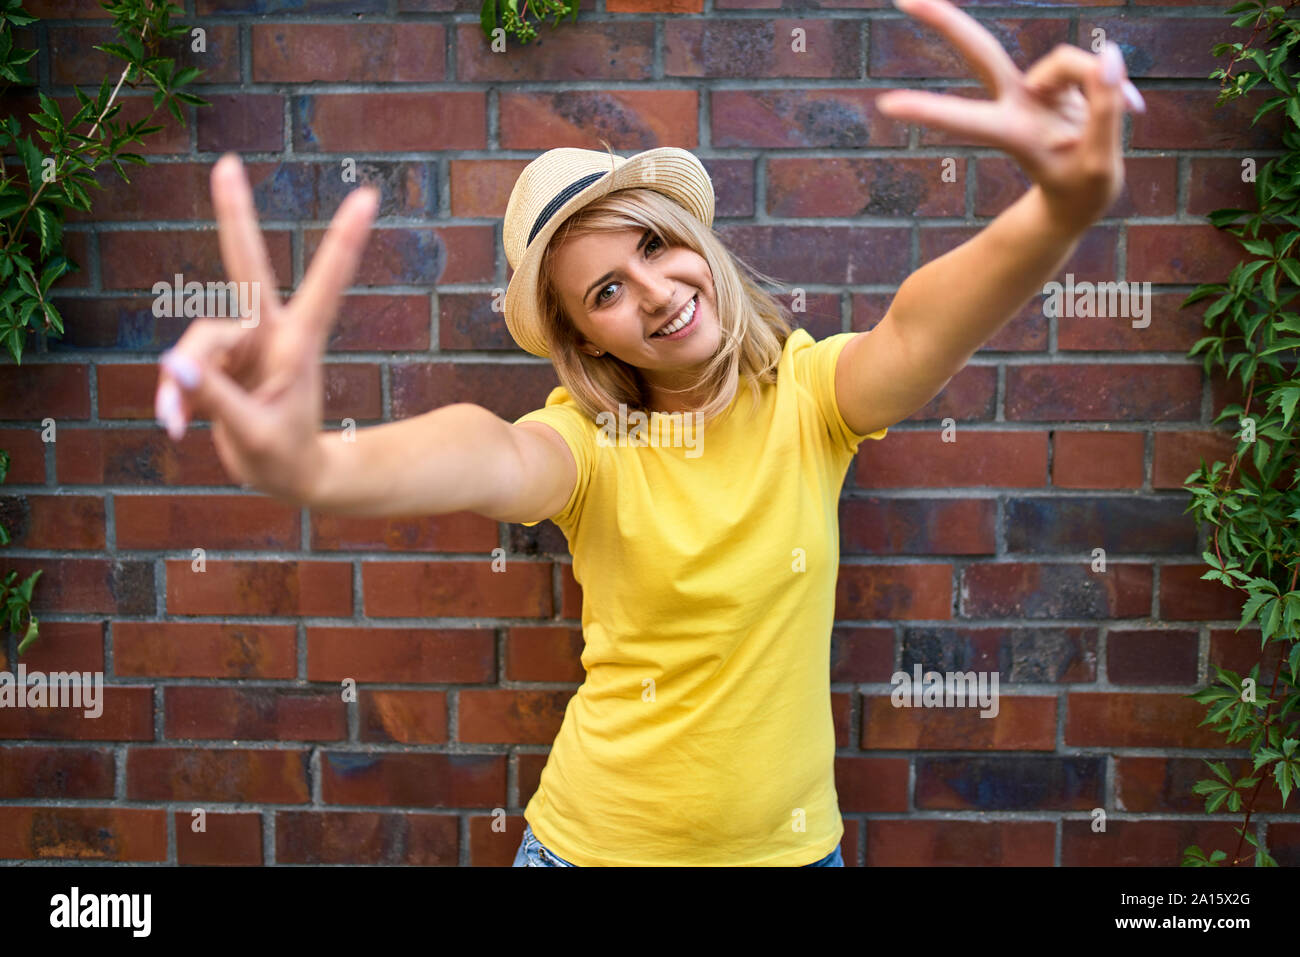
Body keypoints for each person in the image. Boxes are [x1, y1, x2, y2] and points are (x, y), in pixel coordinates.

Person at [152, 0, 1143, 866]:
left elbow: (918, 327)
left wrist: (1057, 207)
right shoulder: (587, 445)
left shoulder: (812, 400)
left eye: (656, 245)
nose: (658, 293)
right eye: (607, 290)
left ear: (695, 238)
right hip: (595, 852)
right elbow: (483, 453)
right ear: (583, 335)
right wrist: (318, 464)